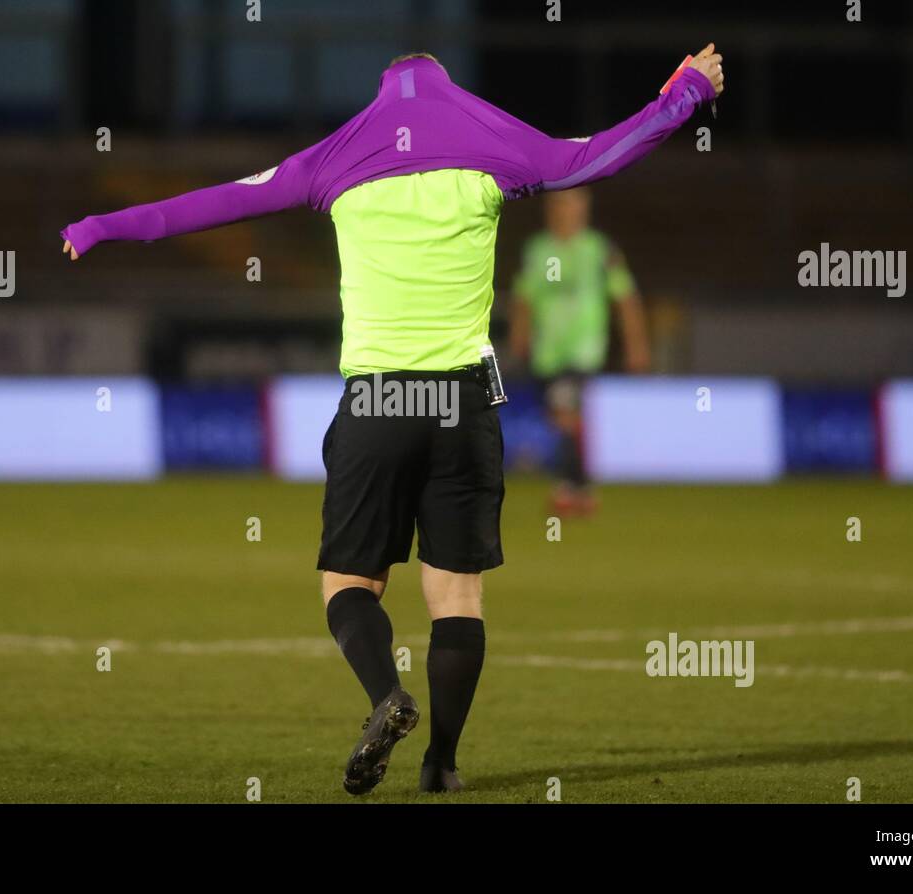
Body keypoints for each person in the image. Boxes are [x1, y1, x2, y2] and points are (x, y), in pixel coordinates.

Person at [61, 47, 724, 796]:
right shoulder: (491, 140)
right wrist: (683, 94)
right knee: (457, 597)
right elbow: (599, 155)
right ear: (449, 90)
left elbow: (213, 203)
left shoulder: (336, 156)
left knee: (348, 583)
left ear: (383, 96)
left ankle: (386, 696)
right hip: (463, 405)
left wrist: (101, 225)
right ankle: (441, 764)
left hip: (378, 403)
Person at [510, 187, 651, 516]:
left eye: (574, 206)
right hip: (547, 352)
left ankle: (570, 486)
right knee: (563, 417)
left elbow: (625, 298)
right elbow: (524, 297)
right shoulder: (537, 249)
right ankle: (582, 487)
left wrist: (637, 345)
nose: (567, 212)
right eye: (561, 206)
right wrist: (520, 336)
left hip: (584, 350)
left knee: (566, 410)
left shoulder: (599, 250)